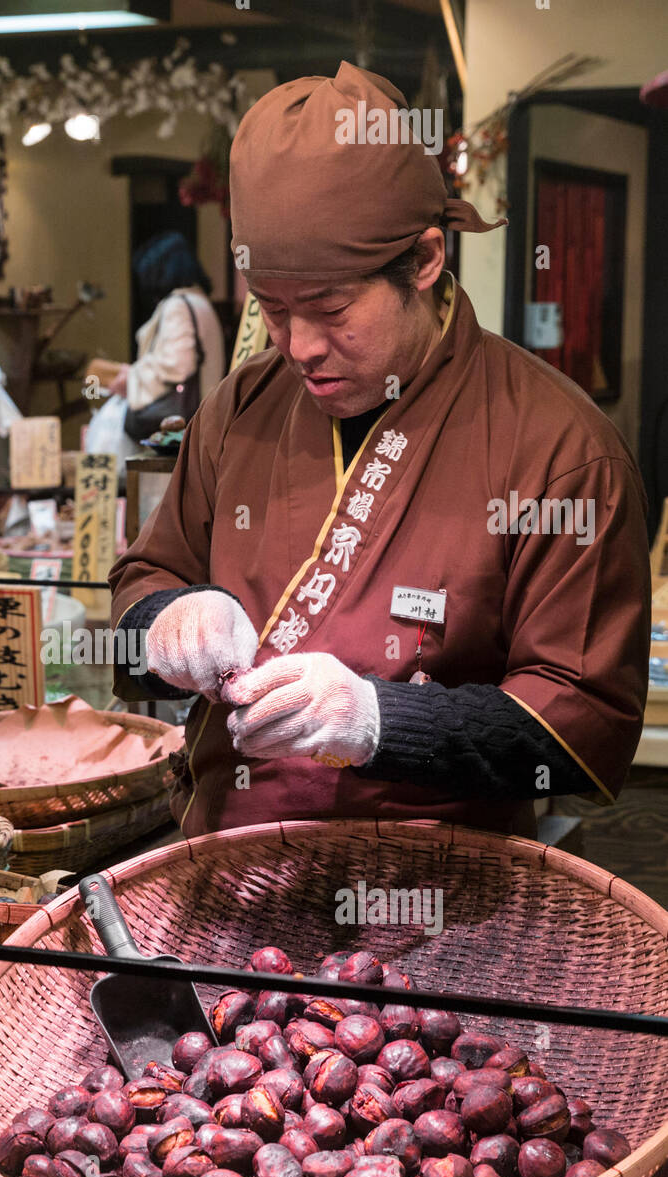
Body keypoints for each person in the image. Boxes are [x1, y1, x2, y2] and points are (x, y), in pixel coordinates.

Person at [109, 62, 650, 841]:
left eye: (329, 308)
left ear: (425, 261)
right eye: (272, 309)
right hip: (223, 867)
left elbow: (585, 725)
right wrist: (164, 619)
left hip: (441, 899)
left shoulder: (556, 446)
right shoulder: (239, 407)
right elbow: (143, 578)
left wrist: (376, 721)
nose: (297, 347)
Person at [110, 231, 225, 440]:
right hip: (205, 414)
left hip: (181, 423)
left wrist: (132, 377)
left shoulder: (178, 306)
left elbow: (176, 364)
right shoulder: (199, 301)